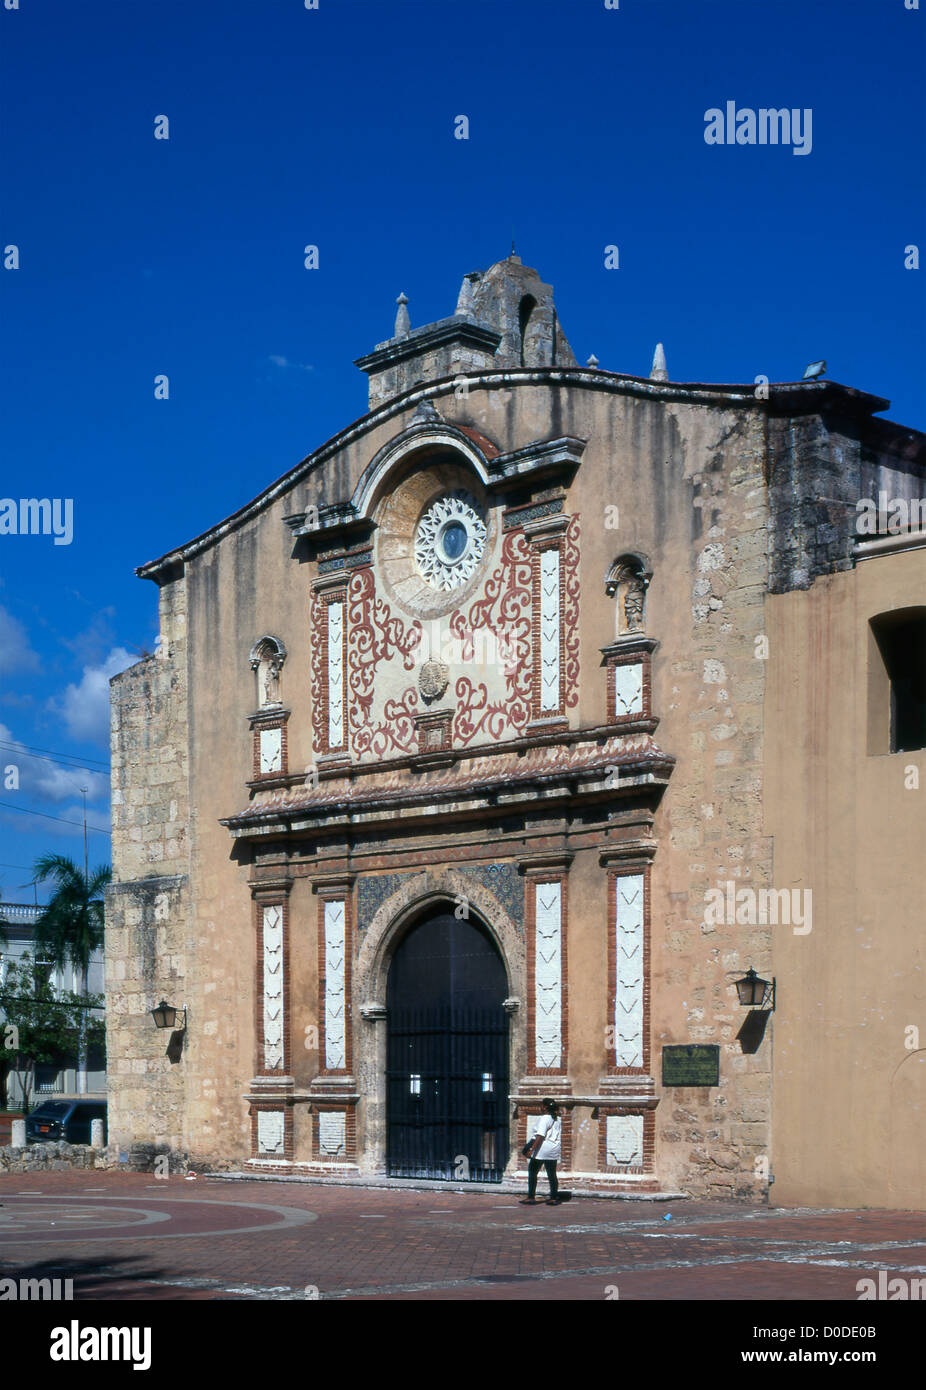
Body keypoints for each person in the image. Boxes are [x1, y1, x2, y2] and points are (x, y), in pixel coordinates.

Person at [520, 1097, 561, 1205]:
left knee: (532, 1172)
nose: (540, 1107)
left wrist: (531, 1149)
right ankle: (553, 1197)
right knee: (552, 1174)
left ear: (545, 1107)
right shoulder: (555, 1119)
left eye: (542, 1105)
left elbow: (540, 1136)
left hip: (542, 1149)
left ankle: (531, 1197)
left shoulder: (544, 1118)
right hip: (553, 1149)